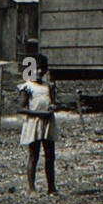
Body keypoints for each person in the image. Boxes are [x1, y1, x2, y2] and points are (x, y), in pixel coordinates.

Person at [18, 55, 59, 194]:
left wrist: (53, 107)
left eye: (42, 69)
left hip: (48, 123)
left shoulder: (48, 86)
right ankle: (31, 187)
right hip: (33, 124)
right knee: (33, 155)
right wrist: (38, 113)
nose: (39, 72)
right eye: (36, 69)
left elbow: (53, 102)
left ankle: (51, 187)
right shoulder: (27, 87)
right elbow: (21, 108)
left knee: (50, 156)